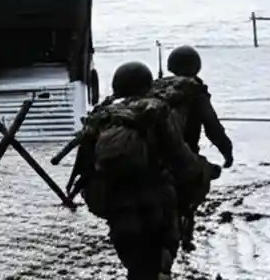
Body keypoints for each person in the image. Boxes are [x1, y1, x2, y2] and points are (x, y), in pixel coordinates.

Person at [75, 62, 202, 280]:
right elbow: (180, 157)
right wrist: (195, 180)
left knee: (135, 266)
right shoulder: (155, 111)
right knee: (156, 259)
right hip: (152, 203)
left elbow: (84, 169)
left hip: (115, 207)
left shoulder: (101, 116)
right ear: (146, 84)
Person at [150, 45, 233, 249]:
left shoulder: (156, 89)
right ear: (197, 67)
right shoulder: (194, 92)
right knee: (195, 184)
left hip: (154, 155)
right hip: (184, 154)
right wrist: (227, 151)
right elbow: (212, 126)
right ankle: (186, 233)